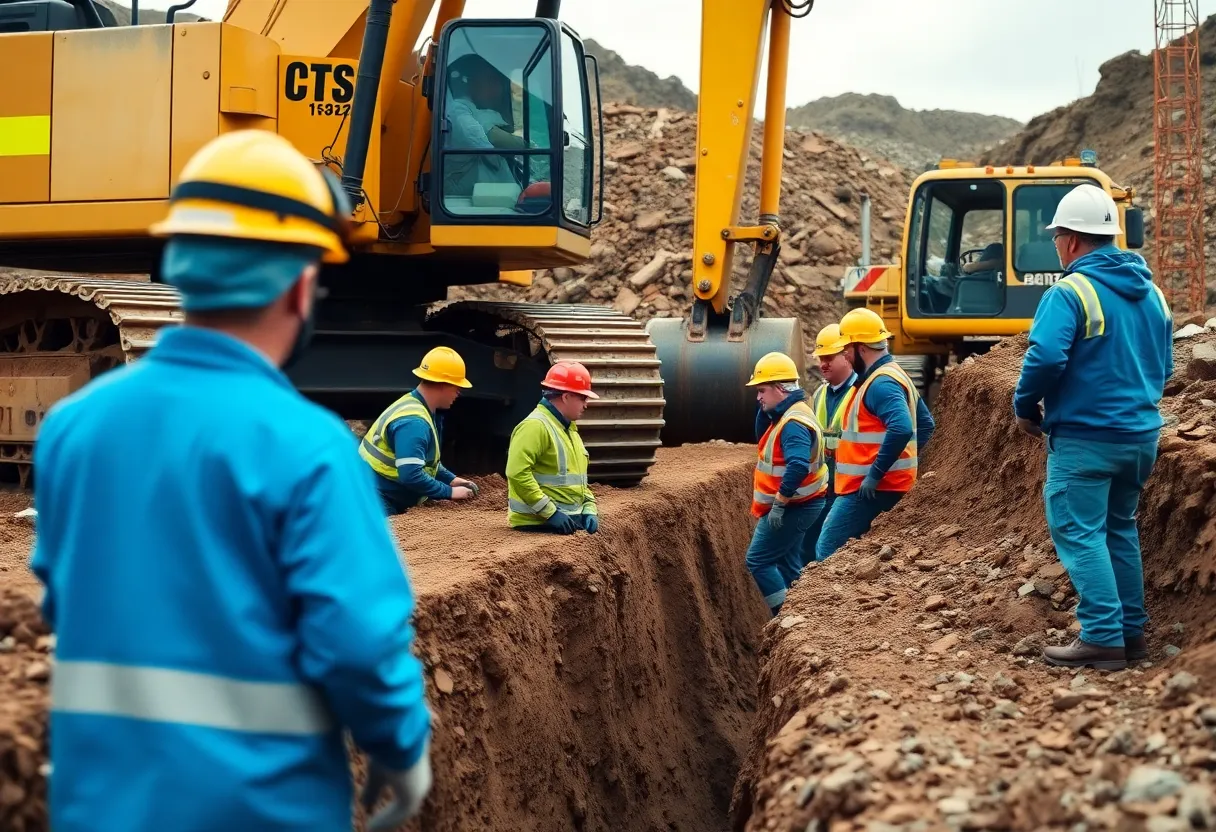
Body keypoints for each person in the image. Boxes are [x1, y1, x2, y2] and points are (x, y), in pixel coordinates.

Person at [30, 130, 433, 831]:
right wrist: (401, 751)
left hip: (98, 806)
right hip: (259, 810)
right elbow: (359, 645)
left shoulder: (73, 427)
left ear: (180, 265)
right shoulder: (308, 446)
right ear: (302, 285)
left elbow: (67, 601)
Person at [1013, 183, 1173, 671]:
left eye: (1057, 237)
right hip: (1140, 437)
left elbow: (1045, 356)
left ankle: (1103, 637)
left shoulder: (1070, 291)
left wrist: (1025, 405)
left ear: (1072, 240)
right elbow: (1164, 367)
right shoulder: (1154, 294)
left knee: (1080, 533)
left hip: (1086, 440)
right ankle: (1131, 635)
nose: (1057, 246)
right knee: (1118, 529)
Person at [815, 308, 936, 561]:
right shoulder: (893, 374)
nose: (845, 356)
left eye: (846, 350)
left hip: (866, 489)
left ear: (860, 348)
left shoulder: (881, 383)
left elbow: (902, 428)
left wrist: (876, 474)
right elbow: (925, 425)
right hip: (882, 485)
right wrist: (899, 465)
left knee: (827, 549)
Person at [743, 352, 829, 616]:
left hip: (794, 506)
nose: (758, 397)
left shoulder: (793, 423)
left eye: (762, 390)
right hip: (803, 503)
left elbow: (798, 465)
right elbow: (764, 439)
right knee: (788, 563)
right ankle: (804, 616)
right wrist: (766, 411)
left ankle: (785, 618)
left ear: (780, 388)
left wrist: (779, 503)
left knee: (758, 561)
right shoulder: (790, 413)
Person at [359, 346, 481, 516]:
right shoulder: (414, 423)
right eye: (456, 386)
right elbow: (411, 474)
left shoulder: (416, 407)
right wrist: (449, 492)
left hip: (373, 491)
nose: (458, 393)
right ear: (443, 384)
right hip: (375, 498)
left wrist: (451, 479)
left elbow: (425, 462)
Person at [506, 361, 600, 534]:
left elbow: (577, 481)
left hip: (565, 522)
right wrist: (551, 513)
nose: (586, 404)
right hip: (535, 523)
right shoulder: (535, 426)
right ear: (566, 397)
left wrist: (589, 508)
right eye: (582, 398)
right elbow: (517, 473)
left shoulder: (568, 429)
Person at [800, 323, 857, 567]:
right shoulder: (820, 395)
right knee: (806, 546)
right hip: (822, 487)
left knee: (833, 549)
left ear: (846, 355)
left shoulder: (861, 392)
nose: (822, 364)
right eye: (820, 358)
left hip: (850, 489)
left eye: (829, 358)